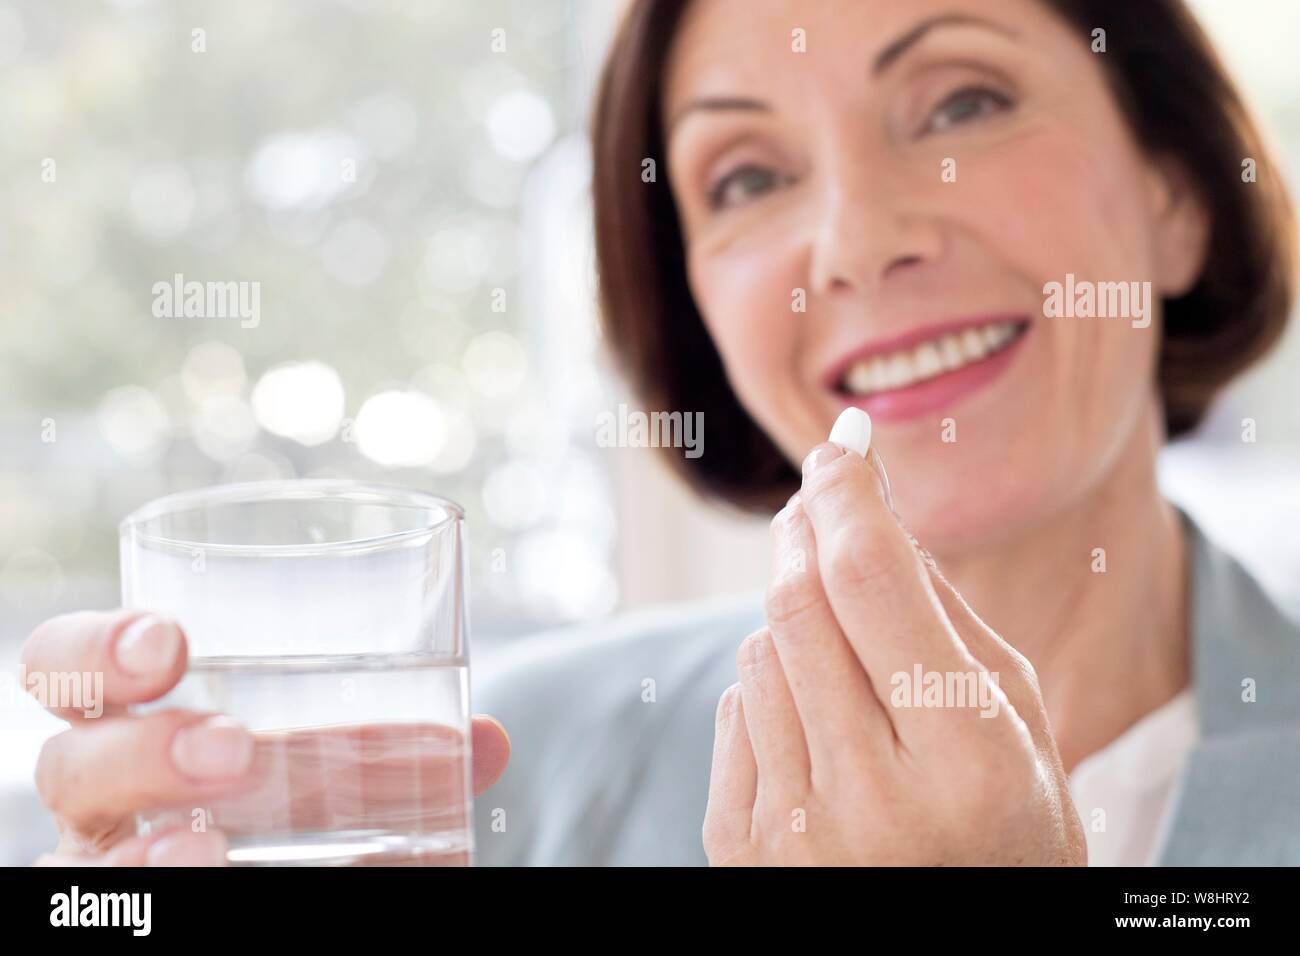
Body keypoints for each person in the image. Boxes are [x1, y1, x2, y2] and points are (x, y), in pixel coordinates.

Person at [23, 0, 1299, 866]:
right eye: (747, 176)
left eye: (960, 103)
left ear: (1176, 199)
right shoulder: (497, 787)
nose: (858, 240)